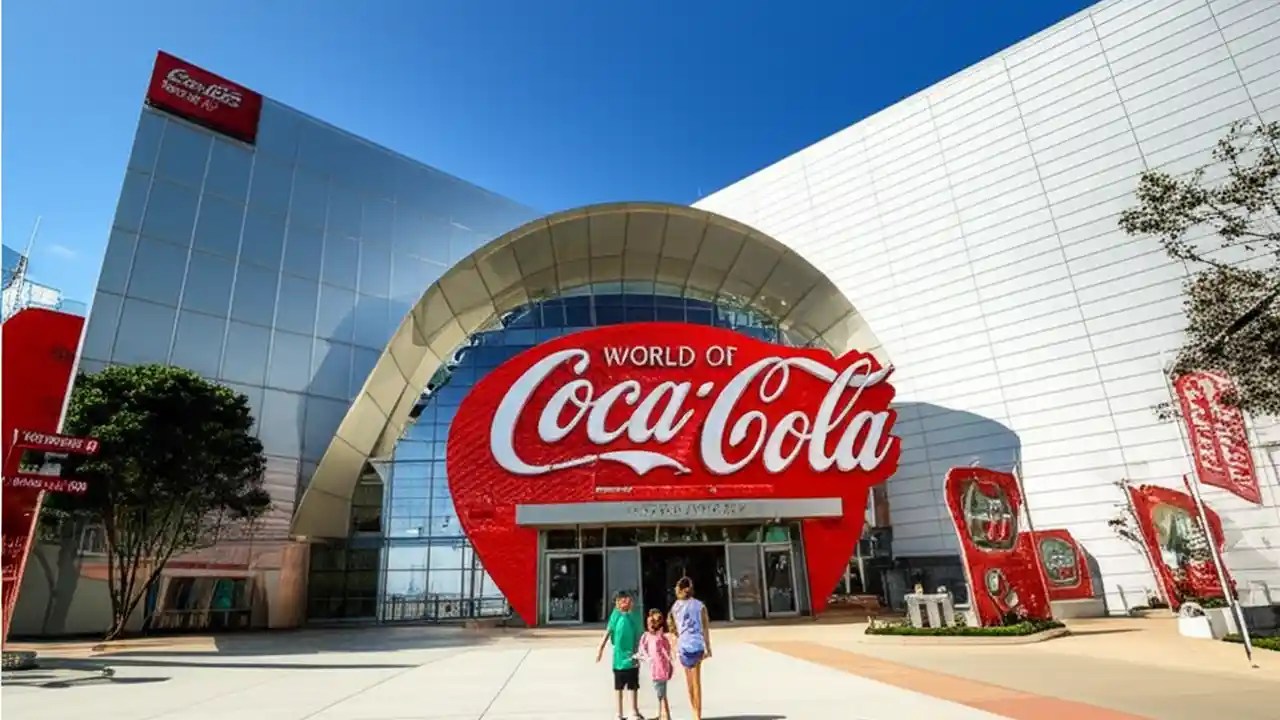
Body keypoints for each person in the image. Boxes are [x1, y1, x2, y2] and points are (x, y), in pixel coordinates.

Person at [668, 576, 711, 720]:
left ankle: (693, 708)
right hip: (697, 643)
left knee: (689, 682)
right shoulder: (700, 606)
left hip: (684, 644)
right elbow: (705, 628)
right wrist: (708, 647)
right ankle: (697, 713)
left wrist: (674, 644)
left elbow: (673, 627)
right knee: (696, 681)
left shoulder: (675, 606)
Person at [596, 590, 644, 720]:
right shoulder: (615, 615)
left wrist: (641, 652)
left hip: (632, 656)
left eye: (626, 599)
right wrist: (600, 648)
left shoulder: (635, 615)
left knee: (633, 685)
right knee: (618, 687)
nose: (624, 602)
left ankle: (633, 710)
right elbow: (609, 631)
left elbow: (641, 634)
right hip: (618, 658)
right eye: (620, 600)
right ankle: (619, 712)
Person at [634, 609, 674, 720]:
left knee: (661, 694)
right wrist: (638, 657)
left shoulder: (660, 638)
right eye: (648, 623)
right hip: (655, 669)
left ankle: (666, 716)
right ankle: (662, 714)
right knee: (660, 693)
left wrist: (670, 666)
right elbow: (642, 650)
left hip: (660, 669)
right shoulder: (647, 636)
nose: (649, 625)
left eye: (652, 623)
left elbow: (667, 653)